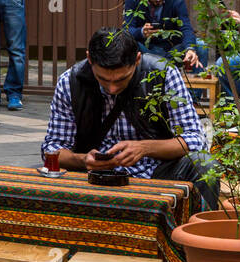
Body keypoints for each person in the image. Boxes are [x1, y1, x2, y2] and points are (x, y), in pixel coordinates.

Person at [41, 26, 218, 211]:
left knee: (204, 165)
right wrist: (83, 159)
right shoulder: (70, 82)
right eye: (103, 79)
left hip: (157, 171)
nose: (112, 89)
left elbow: (196, 140)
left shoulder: (163, 74)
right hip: (93, 176)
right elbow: (52, 149)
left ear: (138, 59)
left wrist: (145, 148)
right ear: (89, 59)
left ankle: (196, 235)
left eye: (121, 79)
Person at [123, 0, 203, 72]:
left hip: (171, 49)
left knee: (200, 45)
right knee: (128, 44)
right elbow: (126, 31)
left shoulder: (176, 1)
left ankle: (195, 87)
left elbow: (186, 28)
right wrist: (141, 32)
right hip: (146, 50)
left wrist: (190, 49)